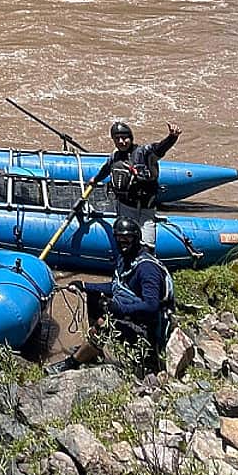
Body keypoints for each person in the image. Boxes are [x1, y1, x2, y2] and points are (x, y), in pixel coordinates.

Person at [56, 216, 175, 373]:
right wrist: (84, 285)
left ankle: (74, 362)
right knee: (93, 297)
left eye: (127, 238)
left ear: (136, 238)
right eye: (119, 238)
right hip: (135, 316)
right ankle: (92, 348)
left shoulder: (147, 269)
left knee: (103, 325)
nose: (122, 242)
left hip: (150, 329)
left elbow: (151, 306)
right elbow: (116, 287)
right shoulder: (124, 260)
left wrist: (119, 309)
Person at [86, 121, 182, 250]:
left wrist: (172, 137)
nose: (121, 142)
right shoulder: (115, 156)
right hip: (125, 207)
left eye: (124, 138)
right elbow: (107, 169)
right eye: (117, 139)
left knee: (147, 246)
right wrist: (96, 179)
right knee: (125, 245)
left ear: (131, 137)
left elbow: (159, 149)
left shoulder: (144, 153)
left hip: (145, 210)